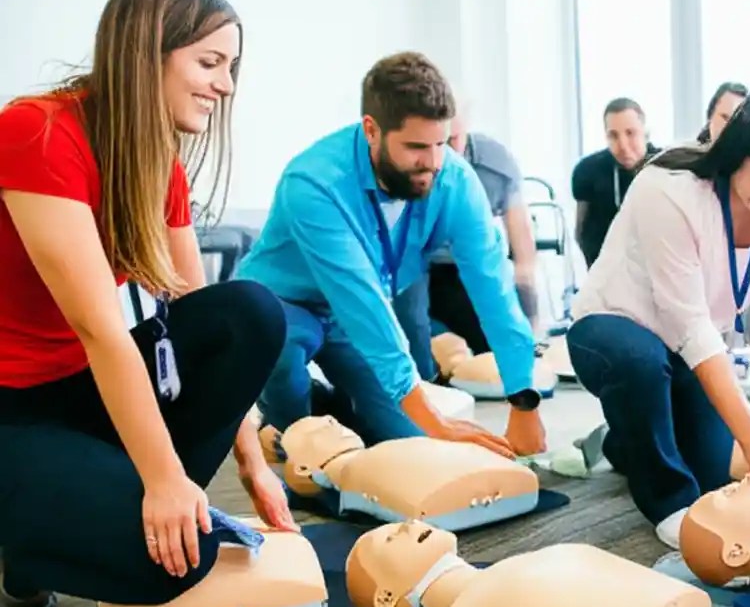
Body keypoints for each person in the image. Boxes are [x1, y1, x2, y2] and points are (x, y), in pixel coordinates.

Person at [0, 0, 290, 607]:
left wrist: (253, 464)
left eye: (232, 66)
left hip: (83, 396)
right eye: (210, 62)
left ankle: (120, 508)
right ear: (146, 52)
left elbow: (194, 309)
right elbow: (101, 328)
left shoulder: (155, 160)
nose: (226, 84)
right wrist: (161, 482)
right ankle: (26, 545)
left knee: (250, 313)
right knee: (173, 566)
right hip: (12, 409)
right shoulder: (36, 134)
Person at [235, 52, 545, 460]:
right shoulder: (313, 183)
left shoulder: (453, 177)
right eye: (416, 147)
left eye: (441, 143)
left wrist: (523, 399)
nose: (433, 162)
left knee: (411, 441)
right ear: (371, 130)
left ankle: (332, 406)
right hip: (283, 307)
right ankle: (288, 416)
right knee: (304, 442)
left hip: (352, 316)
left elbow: (493, 287)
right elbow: (361, 302)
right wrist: (438, 421)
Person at [567, 82, 750, 548]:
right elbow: (687, 323)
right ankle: (667, 505)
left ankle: (624, 440)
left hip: (687, 351)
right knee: (642, 367)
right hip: (611, 329)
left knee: (712, 477)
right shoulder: (667, 188)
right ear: (734, 157)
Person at [409, 99, 538, 353]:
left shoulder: (496, 163)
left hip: (471, 266)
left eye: (452, 140)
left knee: (498, 346)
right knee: (421, 340)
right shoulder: (409, 165)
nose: (442, 156)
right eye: (436, 143)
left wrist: (529, 321)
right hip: (420, 266)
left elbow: (523, 255)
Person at [571, 98, 660, 268]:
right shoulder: (588, 171)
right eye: (613, 136)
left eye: (630, 133)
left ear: (645, 133)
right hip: (607, 273)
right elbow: (581, 233)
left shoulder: (668, 167)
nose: (623, 146)